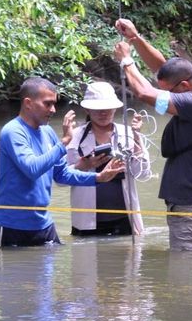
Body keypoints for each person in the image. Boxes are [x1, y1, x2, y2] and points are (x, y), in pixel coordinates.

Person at [113, 18, 192, 250]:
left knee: (186, 274)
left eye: (168, 91)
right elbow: (162, 69)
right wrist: (135, 38)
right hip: (191, 202)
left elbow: (143, 92)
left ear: (183, 87)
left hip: (191, 205)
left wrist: (126, 60)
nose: (165, 94)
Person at [0, 76, 125, 247]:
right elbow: (32, 169)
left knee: (48, 272)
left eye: (54, 104)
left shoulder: (47, 132)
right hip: (11, 225)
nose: (53, 110)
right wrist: (64, 143)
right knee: (17, 273)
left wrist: (98, 177)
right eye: (48, 104)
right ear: (28, 103)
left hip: (43, 223)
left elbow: (62, 174)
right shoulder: (13, 131)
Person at [63, 81, 152, 236]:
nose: (103, 113)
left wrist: (137, 137)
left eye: (107, 108)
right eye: (98, 109)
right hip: (86, 222)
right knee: (85, 258)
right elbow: (60, 179)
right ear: (87, 109)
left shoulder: (129, 133)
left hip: (126, 220)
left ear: (115, 108)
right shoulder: (74, 136)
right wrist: (82, 165)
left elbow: (143, 174)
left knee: (129, 259)